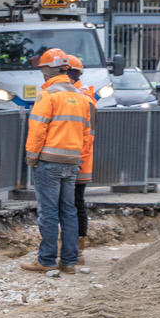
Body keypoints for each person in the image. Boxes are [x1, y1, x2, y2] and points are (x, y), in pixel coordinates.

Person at [21, 48, 93, 276]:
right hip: (72, 162)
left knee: (49, 212)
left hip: (49, 161)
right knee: (68, 211)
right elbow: (85, 134)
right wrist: (77, 158)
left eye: (42, 67)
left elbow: (37, 129)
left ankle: (47, 260)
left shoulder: (48, 95)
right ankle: (69, 261)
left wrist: (32, 156)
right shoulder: (82, 97)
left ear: (48, 70)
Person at [68, 58, 97, 273]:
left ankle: (75, 251)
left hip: (77, 160)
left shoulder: (81, 99)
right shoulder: (85, 96)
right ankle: (75, 249)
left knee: (75, 204)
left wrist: (76, 160)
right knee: (76, 203)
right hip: (79, 159)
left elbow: (85, 136)